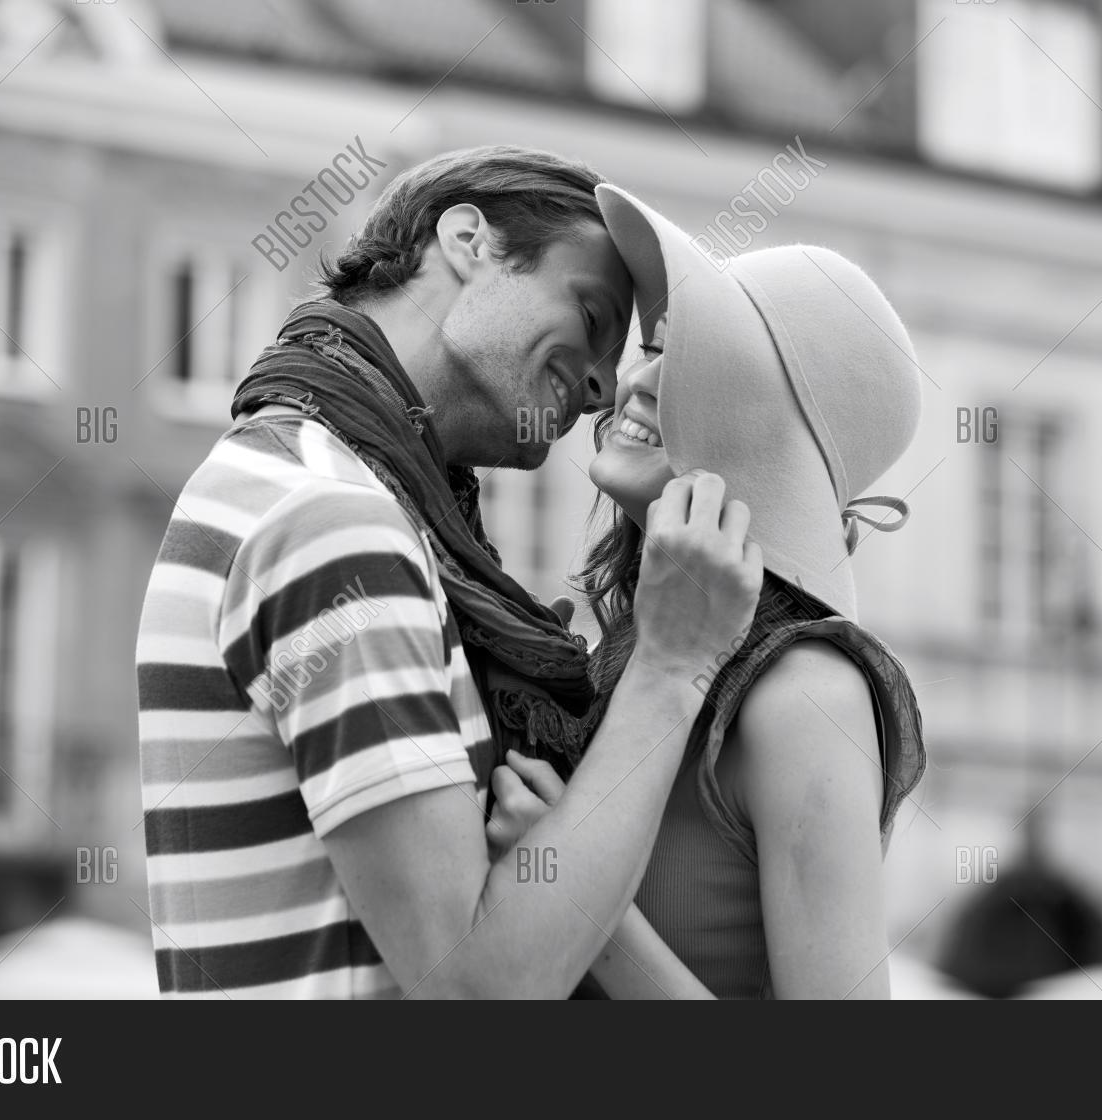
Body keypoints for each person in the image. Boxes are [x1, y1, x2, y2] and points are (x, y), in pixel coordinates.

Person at [135, 147, 762, 998]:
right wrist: (669, 667)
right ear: (468, 239)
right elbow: (475, 990)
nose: (600, 388)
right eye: (591, 312)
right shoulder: (336, 526)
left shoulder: (311, 481)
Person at [487, 184, 928, 998]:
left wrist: (587, 910)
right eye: (650, 349)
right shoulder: (634, 646)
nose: (638, 382)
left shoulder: (805, 695)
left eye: (692, 359)